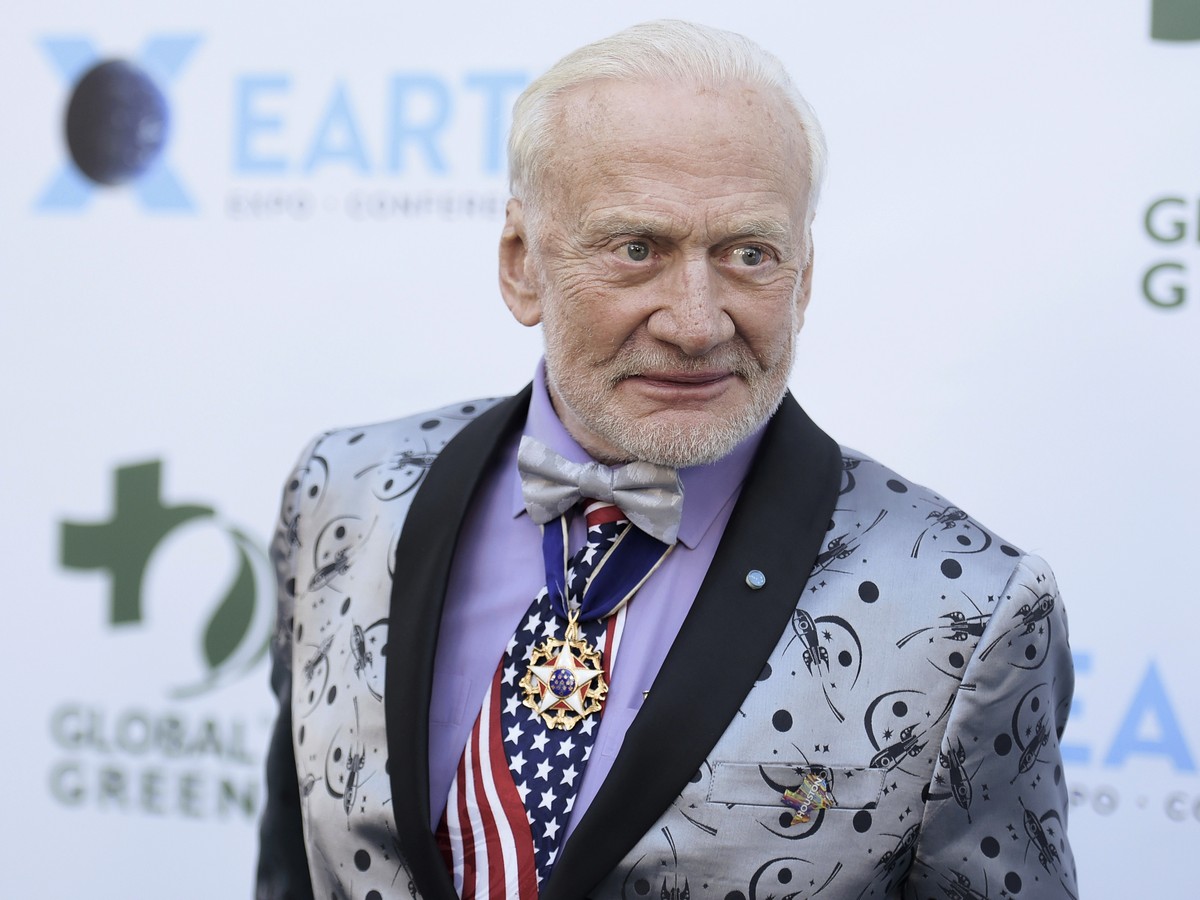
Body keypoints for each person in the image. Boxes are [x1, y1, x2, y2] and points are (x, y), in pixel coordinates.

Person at [257, 19, 1076, 900]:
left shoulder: (967, 607)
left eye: (749, 255)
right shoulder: (344, 492)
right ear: (522, 265)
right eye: (637, 250)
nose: (696, 322)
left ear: (804, 278)